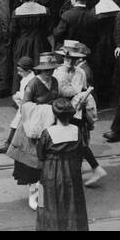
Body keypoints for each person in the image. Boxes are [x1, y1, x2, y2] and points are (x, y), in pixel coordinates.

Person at [35, 97, 89, 231]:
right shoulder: (77, 130)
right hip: (72, 171)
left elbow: (41, 155)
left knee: (49, 203)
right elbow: (81, 150)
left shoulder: (47, 133)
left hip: (51, 172)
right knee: (73, 203)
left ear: (54, 114)